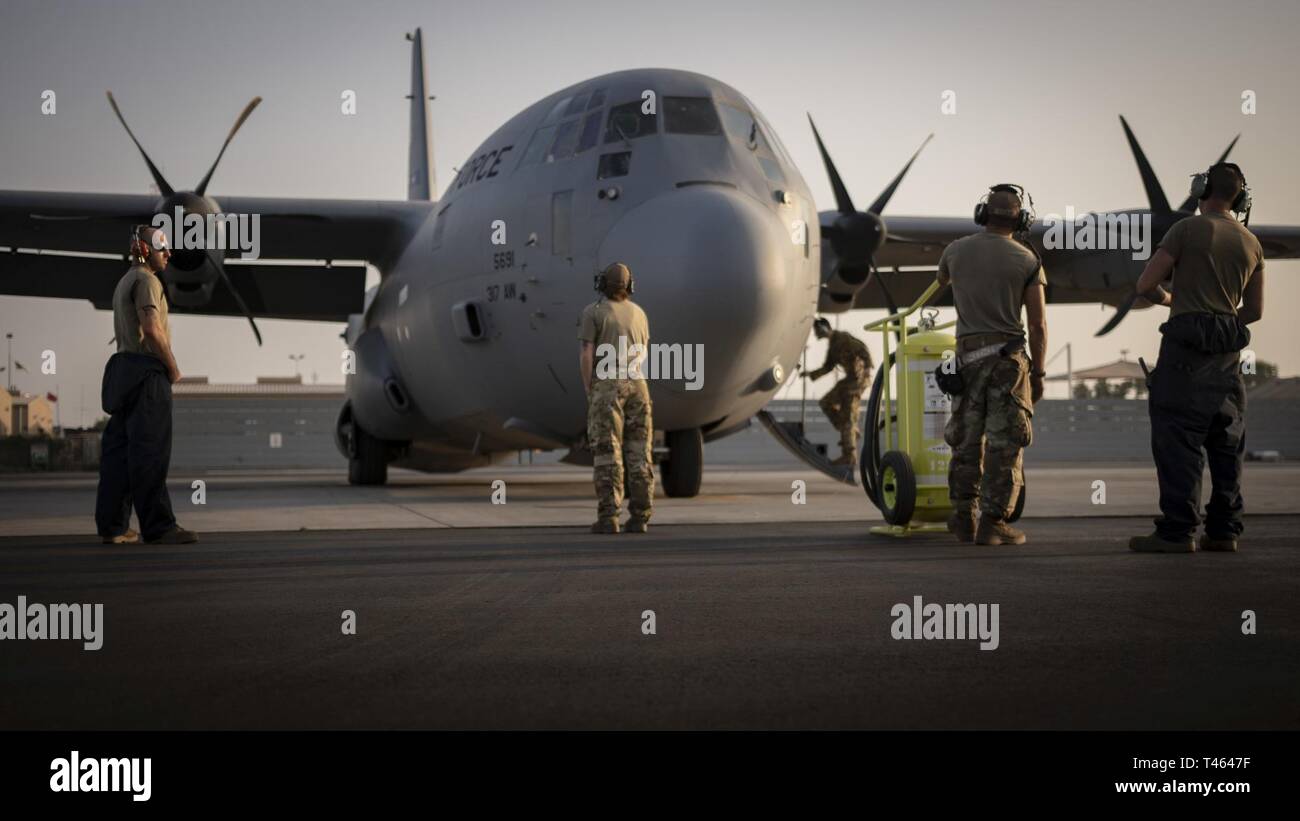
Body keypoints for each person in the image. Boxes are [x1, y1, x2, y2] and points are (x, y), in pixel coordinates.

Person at [1129, 163, 1264, 553]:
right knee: (1227, 439)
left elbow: (1145, 284)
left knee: (1178, 439)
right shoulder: (1251, 242)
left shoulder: (1185, 229)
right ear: (1240, 198)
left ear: (1202, 189)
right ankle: (1224, 531)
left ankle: (1177, 532)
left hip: (1185, 346)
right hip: (1228, 349)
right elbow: (1255, 310)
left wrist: (1173, 301)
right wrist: (1221, 321)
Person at [937, 184, 1048, 545]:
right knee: (1005, 443)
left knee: (966, 442)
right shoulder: (1027, 260)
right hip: (1007, 364)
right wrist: (1039, 373)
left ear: (982, 214)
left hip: (966, 360)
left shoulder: (955, 251)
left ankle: (962, 518)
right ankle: (992, 523)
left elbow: (942, 280)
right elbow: (1037, 324)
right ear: (1022, 219)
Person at [94, 225, 198, 545]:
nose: (169, 253)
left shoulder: (124, 281)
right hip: (147, 374)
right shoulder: (147, 281)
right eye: (162, 247)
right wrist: (172, 367)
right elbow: (152, 329)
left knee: (118, 454)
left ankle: (114, 527)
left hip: (122, 371)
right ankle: (160, 527)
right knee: (150, 452)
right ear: (143, 249)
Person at [577, 262, 654, 534]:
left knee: (608, 451)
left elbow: (587, 353)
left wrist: (590, 388)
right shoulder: (639, 313)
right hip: (638, 384)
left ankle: (609, 516)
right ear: (630, 285)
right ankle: (641, 517)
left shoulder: (593, 312)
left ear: (602, 284)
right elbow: (644, 351)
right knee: (640, 452)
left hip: (608, 383)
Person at [806, 318, 873, 465]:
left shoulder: (843, 338)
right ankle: (849, 430)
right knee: (826, 403)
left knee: (848, 414)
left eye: (817, 330)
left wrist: (867, 369)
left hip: (858, 380)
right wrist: (810, 374)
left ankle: (849, 455)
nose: (816, 334)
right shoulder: (833, 346)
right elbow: (828, 367)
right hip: (850, 379)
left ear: (824, 328)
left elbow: (862, 349)